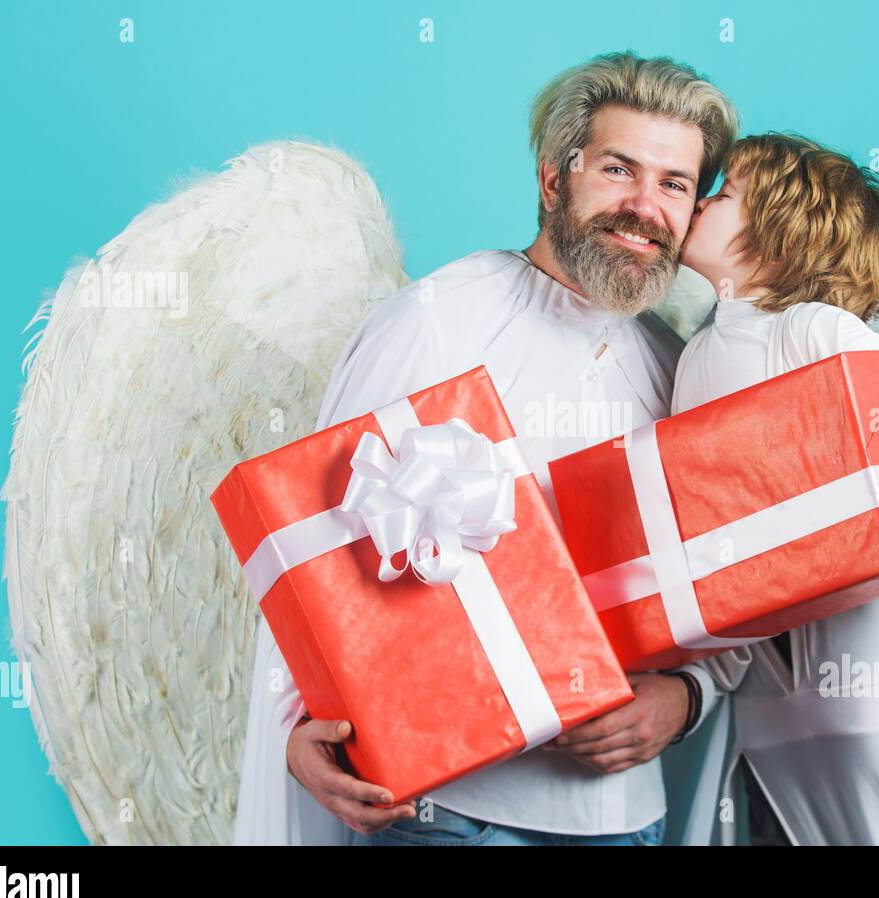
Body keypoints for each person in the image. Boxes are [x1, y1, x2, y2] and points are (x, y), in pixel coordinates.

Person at [232, 51, 741, 846]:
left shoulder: (682, 366)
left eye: (674, 185)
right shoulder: (437, 321)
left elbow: (729, 584)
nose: (645, 207)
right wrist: (298, 727)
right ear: (552, 179)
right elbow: (319, 548)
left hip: (635, 820)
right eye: (618, 169)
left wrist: (685, 700)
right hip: (459, 816)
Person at [671, 133, 879, 845]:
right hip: (764, 693)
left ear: (776, 239)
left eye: (722, 194)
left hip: (863, 683)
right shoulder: (696, 354)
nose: (699, 200)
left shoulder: (808, 330)